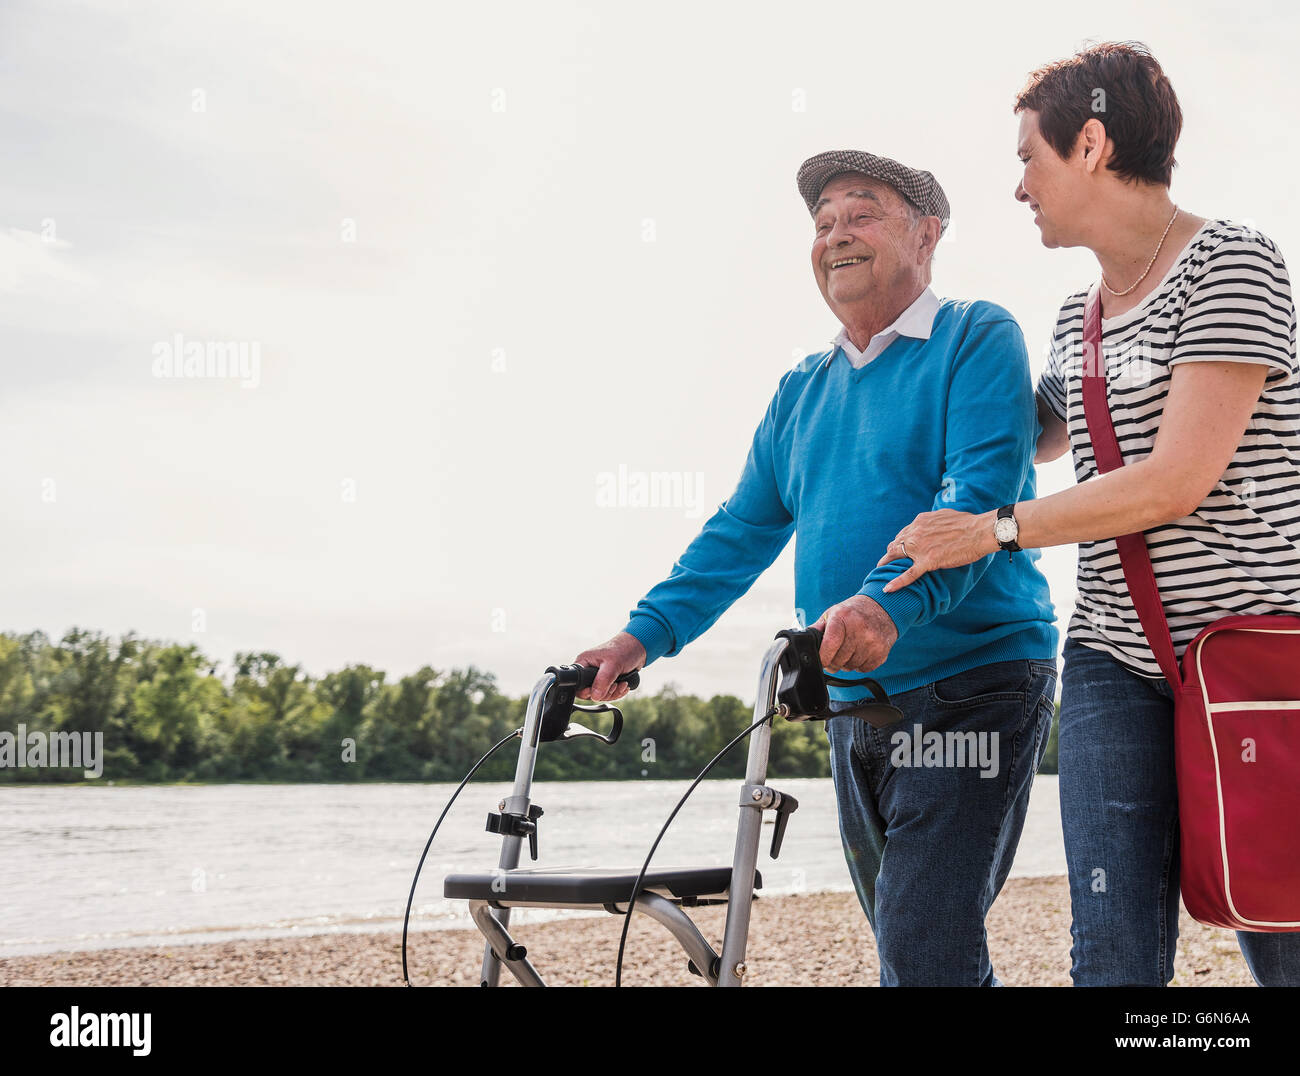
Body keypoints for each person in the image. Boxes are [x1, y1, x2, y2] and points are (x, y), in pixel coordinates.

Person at [574, 149, 1059, 985]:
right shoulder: (801, 390)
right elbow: (738, 533)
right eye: (823, 221)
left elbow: (974, 502)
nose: (836, 234)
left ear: (927, 232)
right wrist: (639, 638)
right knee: (909, 943)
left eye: (860, 212)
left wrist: (882, 607)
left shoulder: (977, 336)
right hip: (852, 701)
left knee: (922, 937)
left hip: (976, 683)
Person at [872, 41, 1300, 986]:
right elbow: (1028, 432)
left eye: (1029, 156)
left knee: (1280, 929)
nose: (1018, 186)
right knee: (1110, 957)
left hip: (1250, 657)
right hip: (1114, 657)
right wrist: (902, 338)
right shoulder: (1081, 316)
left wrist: (993, 531)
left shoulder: (1232, 264)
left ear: (1093, 143)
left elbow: (1171, 481)